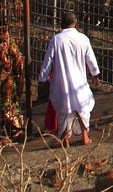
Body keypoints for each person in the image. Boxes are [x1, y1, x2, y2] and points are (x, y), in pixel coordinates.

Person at [38, 12, 100, 146]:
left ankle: (65, 139)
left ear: (62, 24)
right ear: (75, 24)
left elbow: (48, 61)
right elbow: (91, 59)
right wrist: (95, 74)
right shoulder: (83, 39)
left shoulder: (57, 39)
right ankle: (85, 136)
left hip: (61, 82)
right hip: (79, 82)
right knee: (83, 109)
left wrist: (42, 79)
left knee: (63, 111)